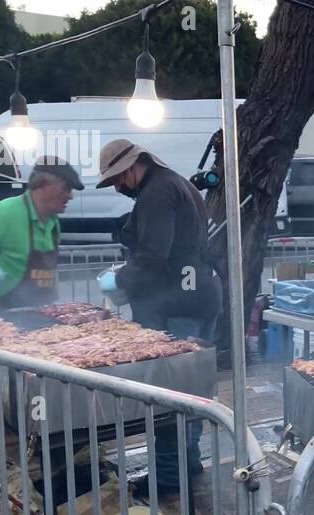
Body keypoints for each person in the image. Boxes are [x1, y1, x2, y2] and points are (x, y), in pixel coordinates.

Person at [95, 138, 222, 496]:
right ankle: (189, 462)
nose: (118, 187)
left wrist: (119, 280)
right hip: (199, 298)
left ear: (135, 167)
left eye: (119, 179)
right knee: (192, 391)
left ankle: (168, 476)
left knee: (171, 396)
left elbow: (152, 256)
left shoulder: (157, 193)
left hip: (177, 308)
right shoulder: (177, 183)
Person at [0, 156, 83, 309]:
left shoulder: (53, 223)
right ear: (44, 185)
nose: (70, 196)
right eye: (66, 188)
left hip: (38, 313)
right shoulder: (5, 213)